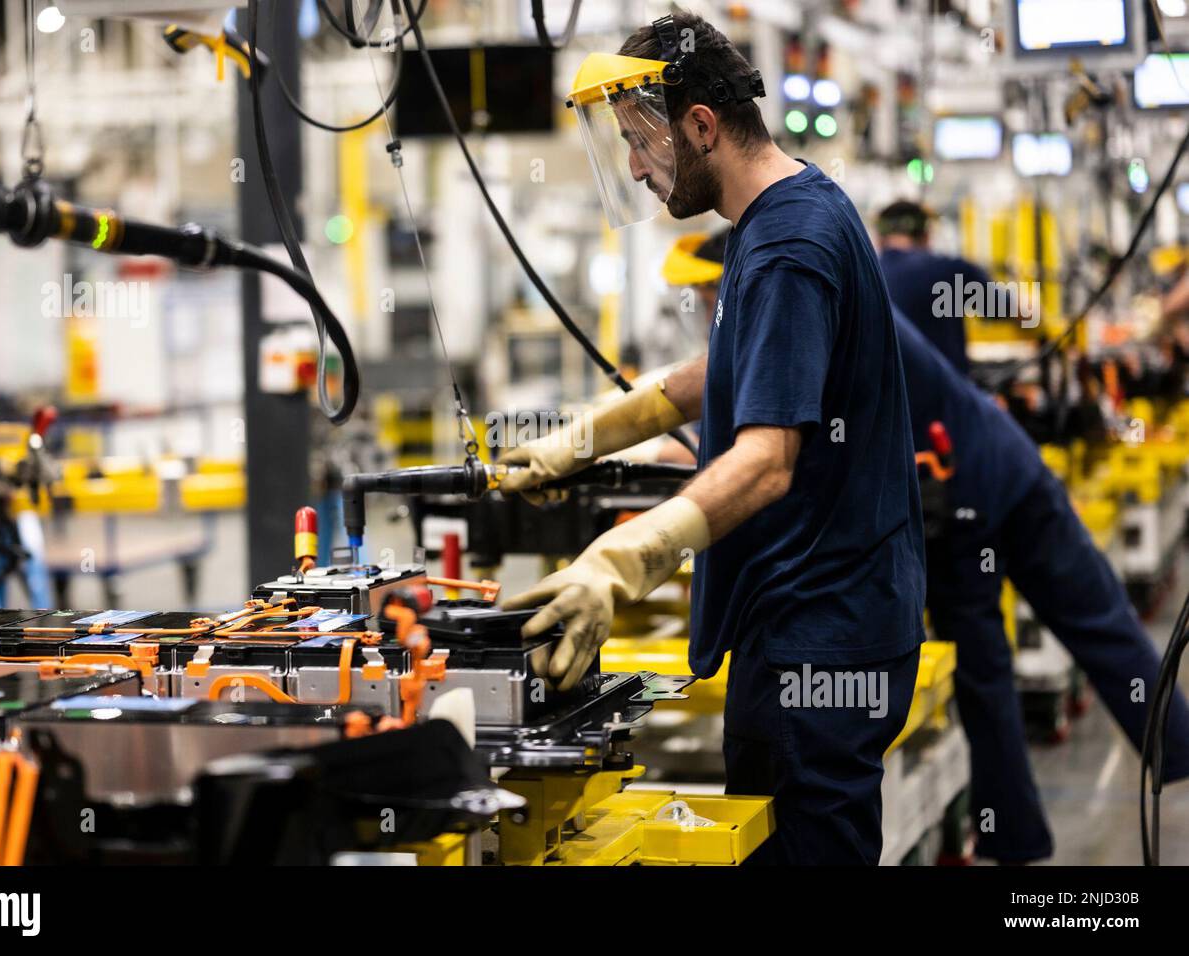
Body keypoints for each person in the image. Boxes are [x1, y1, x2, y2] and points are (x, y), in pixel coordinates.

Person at [498, 12, 926, 865]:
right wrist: (581, 439)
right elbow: (730, 365)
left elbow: (767, 461)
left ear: (699, 125)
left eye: (639, 140)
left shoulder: (788, 245)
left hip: (820, 639)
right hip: (814, 618)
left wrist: (619, 565)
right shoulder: (785, 214)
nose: (633, 166)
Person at [674, 230, 1189, 863]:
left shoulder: (805, 291)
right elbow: (1022, 315)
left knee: (984, 677)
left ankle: (1015, 838)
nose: (701, 309)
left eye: (702, 295)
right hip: (983, 476)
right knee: (1094, 620)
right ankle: (1170, 753)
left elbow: (758, 428)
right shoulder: (862, 275)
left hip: (953, 495)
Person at [875, 200, 993, 374]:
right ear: (926, 235)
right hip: (946, 395)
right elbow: (1005, 310)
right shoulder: (952, 271)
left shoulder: (864, 277)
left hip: (885, 395)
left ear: (879, 238)